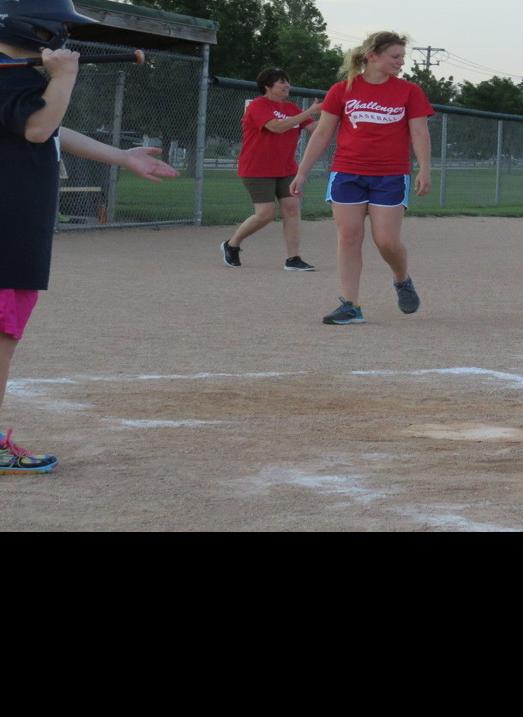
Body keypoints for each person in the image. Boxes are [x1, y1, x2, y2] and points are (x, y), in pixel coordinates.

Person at [1, 0, 179, 474]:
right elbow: (39, 128)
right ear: (35, 29)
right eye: (60, 27)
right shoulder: (9, 77)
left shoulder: (15, 79)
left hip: (16, 229)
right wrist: (64, 78)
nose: (65, 37)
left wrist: (121, 157)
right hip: (6, 229)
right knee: (0, 336)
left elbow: (50, 125)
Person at [291, 31, 432, 325]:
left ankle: (401, 278)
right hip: (347, 172)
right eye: (395, 56)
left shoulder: (409, 91)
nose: (400, 62)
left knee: (386, 241)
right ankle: (351, 305)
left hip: (390, 175)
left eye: (402, 57)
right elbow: (322, 133)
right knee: (349, 235)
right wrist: (302, 171)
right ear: (372, 56)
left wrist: (424, 168)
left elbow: (419, 131)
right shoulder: (343, 89)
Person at [220, 67, 320, 271]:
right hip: (257, 168)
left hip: (286, 168)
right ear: (267, 86)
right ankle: (231, 245)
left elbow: (315, 129)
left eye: (287, 81)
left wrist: (340, 117)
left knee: (292, 209)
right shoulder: (258, 106)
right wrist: (309, 112)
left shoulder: (292, 108)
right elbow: (276, 127)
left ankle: (293, 259)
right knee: (265, 214)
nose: (286, 85)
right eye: (281, 82)